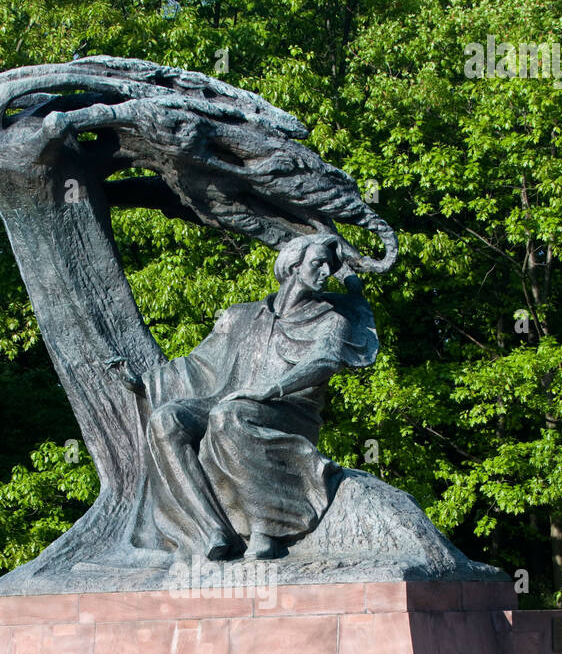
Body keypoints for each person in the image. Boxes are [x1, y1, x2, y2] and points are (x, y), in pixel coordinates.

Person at [111, 232, 379, 560]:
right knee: (166, 420)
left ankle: (266, 528)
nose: (326, 272)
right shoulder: (242, 315)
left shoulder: (331, 319)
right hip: (229, 398)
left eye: (330, 266)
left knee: (229, 417)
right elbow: (198, 363)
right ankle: (211, 530)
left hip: (289, 408)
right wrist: (143, 383)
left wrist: (271, 389)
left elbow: (325, 360)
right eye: (318, 263)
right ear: (294, 264)